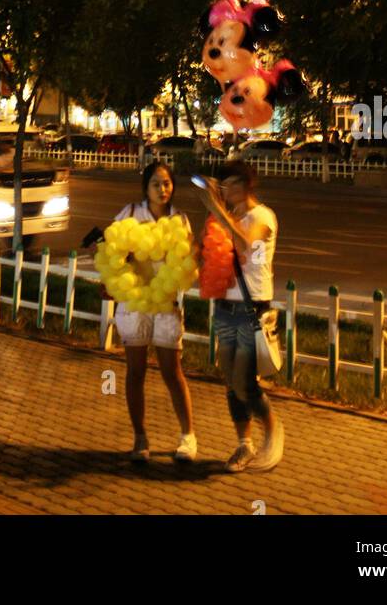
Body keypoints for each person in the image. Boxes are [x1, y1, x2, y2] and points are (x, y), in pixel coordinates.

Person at [97, 161, 198, 463]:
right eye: (156, 183)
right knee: (135, 371)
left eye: (167, 183)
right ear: (146, 187)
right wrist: (111, 281)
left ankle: (188, 437)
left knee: (172, 371)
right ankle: (140, 437)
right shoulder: (129, 214)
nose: (162, 189)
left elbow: (189, 258)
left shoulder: (179, 219)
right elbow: (109, 249)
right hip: (134, 304)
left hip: (166, 303)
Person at [196, 160, 284, 473]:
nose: (226, 190)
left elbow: (247, 245)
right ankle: (243, 445)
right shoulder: (229, 215)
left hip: (251, 307)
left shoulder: (263, 216)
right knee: (231, 382)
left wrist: (217, 209)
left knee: (245, 382)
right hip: (225, 305)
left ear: (247, 185)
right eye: (222, 185)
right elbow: (209, 251)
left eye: (232, 184)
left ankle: (272, 431)